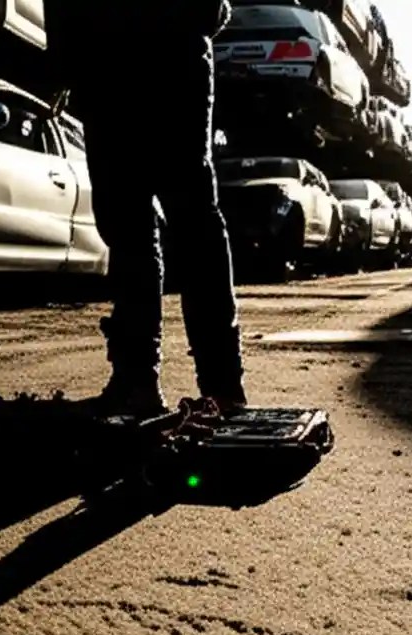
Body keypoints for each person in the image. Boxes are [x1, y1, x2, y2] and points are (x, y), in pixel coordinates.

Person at [45, 1, 247, 419]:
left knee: (153, 224)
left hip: (125, 56)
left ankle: (166, 382)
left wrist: (64, 61)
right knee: (165, 221)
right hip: (150, 52)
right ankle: (202, 384)